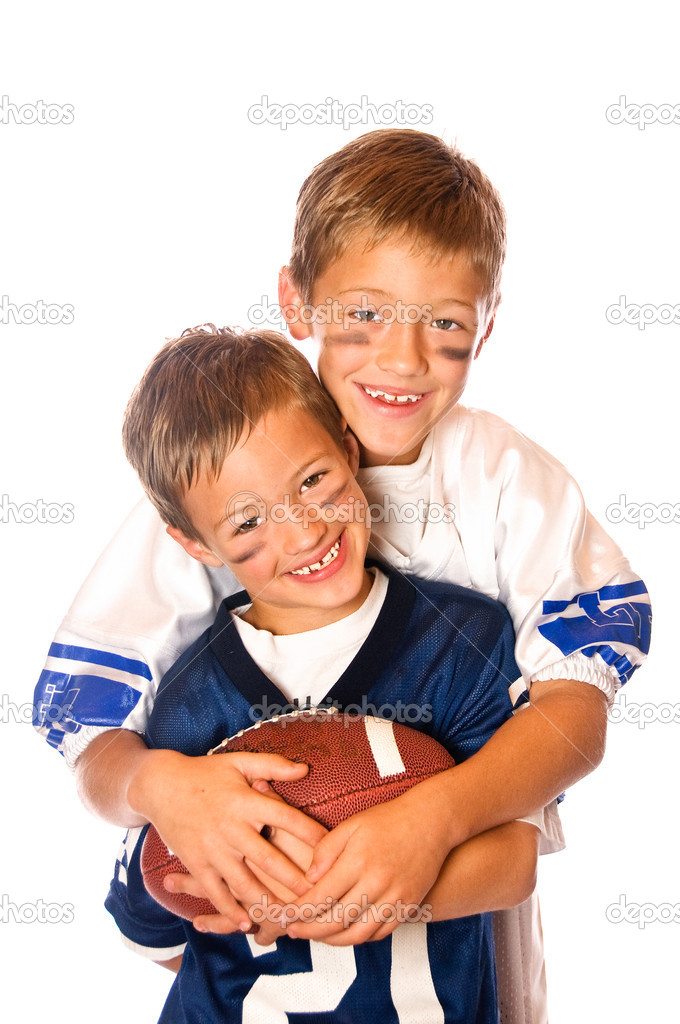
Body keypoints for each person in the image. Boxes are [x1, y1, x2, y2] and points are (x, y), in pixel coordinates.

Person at [35, 131, 650, 1022]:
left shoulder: (507, 479)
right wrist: (165, 788)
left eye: (445, 324)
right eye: (366, 312)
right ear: (296, 299)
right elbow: (91, 733)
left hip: (462, 920)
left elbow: (575, 715)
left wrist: (435, 819)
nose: (402, 360)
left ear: (487, 322)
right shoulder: (220, 470)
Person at [105, 323, 540, 1022]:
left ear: (348, 448)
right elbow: (156, 911)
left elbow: (514, 864)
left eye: (312, 481)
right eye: (248, 523)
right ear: (195, 544)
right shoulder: (187, 706)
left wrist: (346, 890)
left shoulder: (462, 641)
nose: (304, 532)